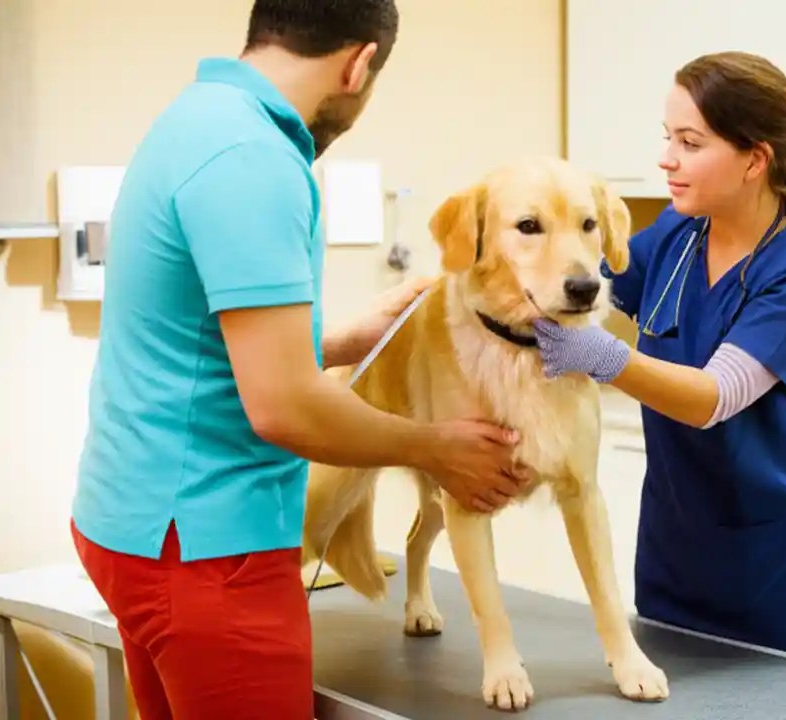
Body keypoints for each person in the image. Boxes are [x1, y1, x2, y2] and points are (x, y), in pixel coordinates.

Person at [68, 2, 530, 718]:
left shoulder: (196, 118)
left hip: (129, 523)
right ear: (360, 63)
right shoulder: (256, 160)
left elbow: (198, 340)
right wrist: (435, 448)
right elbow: (283, 406)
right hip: (207, 551)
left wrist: (345, 342)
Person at [532, 51, 786, 667]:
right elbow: (581, 289)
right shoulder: (678, 238)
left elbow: (715, 396)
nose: (667, 158)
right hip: (673, 566)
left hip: (775, 579)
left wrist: (603, 356)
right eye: (668, 138)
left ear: (754, 160)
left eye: (690, 142)